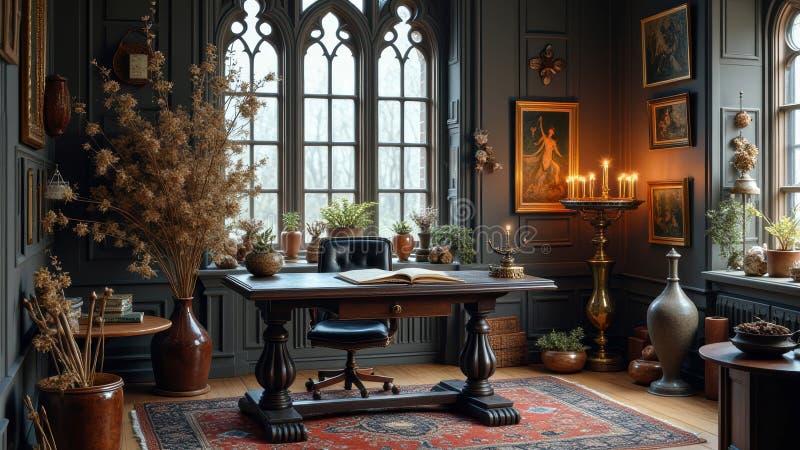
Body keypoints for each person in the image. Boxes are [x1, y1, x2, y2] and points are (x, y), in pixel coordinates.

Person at [530, 116, 562, 185]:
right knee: (543, 171)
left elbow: (556, 150)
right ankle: (537, 183)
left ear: (553, 132)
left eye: (552, 130)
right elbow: (541, 130)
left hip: (550, 157)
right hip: (545, 157)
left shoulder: (553, 141)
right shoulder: (545, 138)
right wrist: (541, 122)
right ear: (549, 131)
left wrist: (560, 155)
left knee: (556, 168)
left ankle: (554, 183)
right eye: (550, 130)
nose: (550, 131)